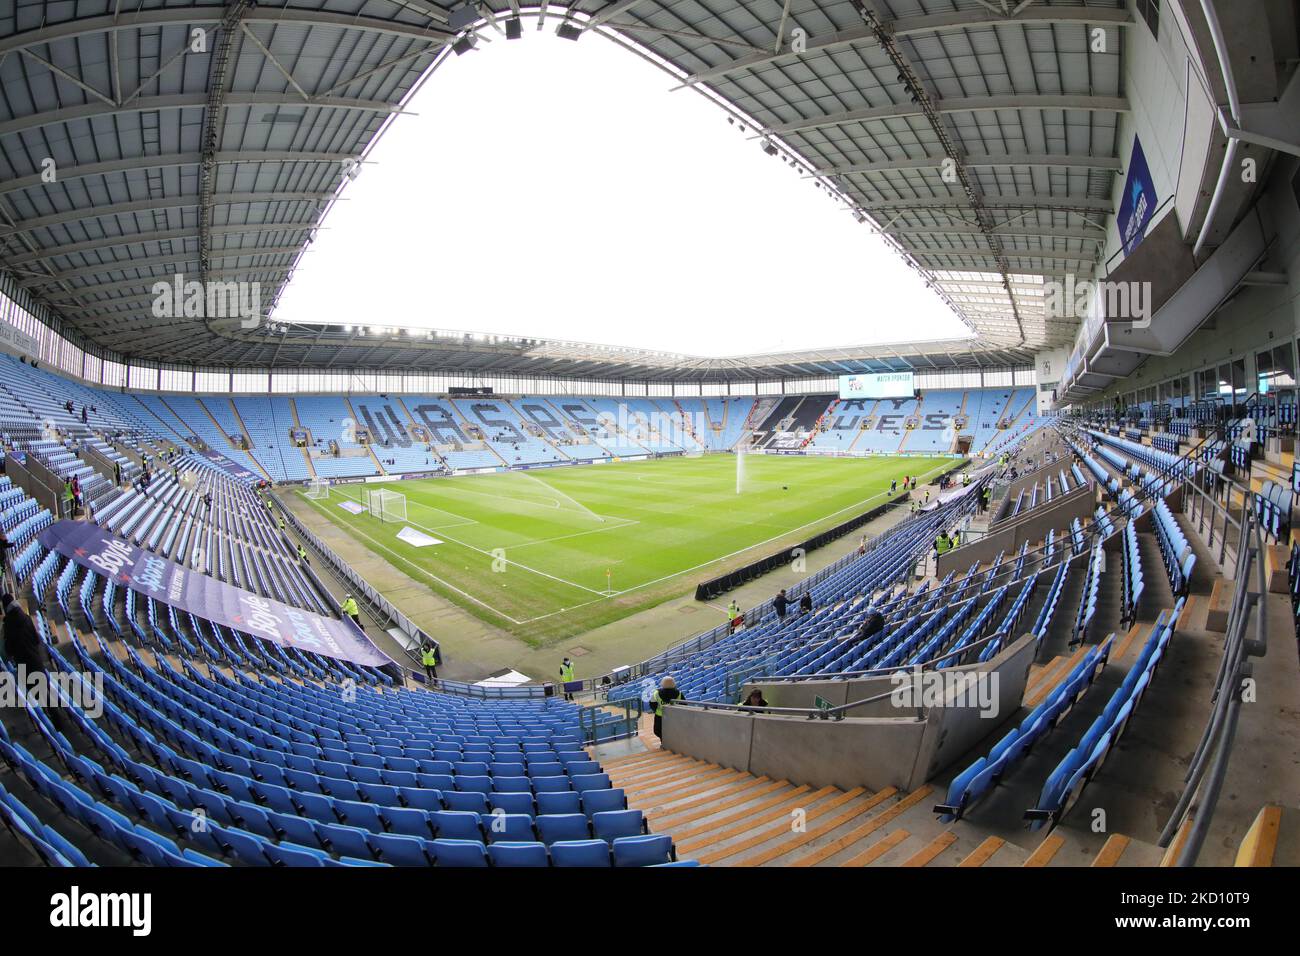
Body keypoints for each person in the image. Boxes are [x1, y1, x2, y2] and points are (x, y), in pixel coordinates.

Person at [650, 676, 685, 741]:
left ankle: (663, 742)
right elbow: (684, 705)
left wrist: (656, 711)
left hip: (660, 716)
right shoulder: (679, 693)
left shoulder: (656, 693)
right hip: (674, 716)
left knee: (659, 731)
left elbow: (652, 704)